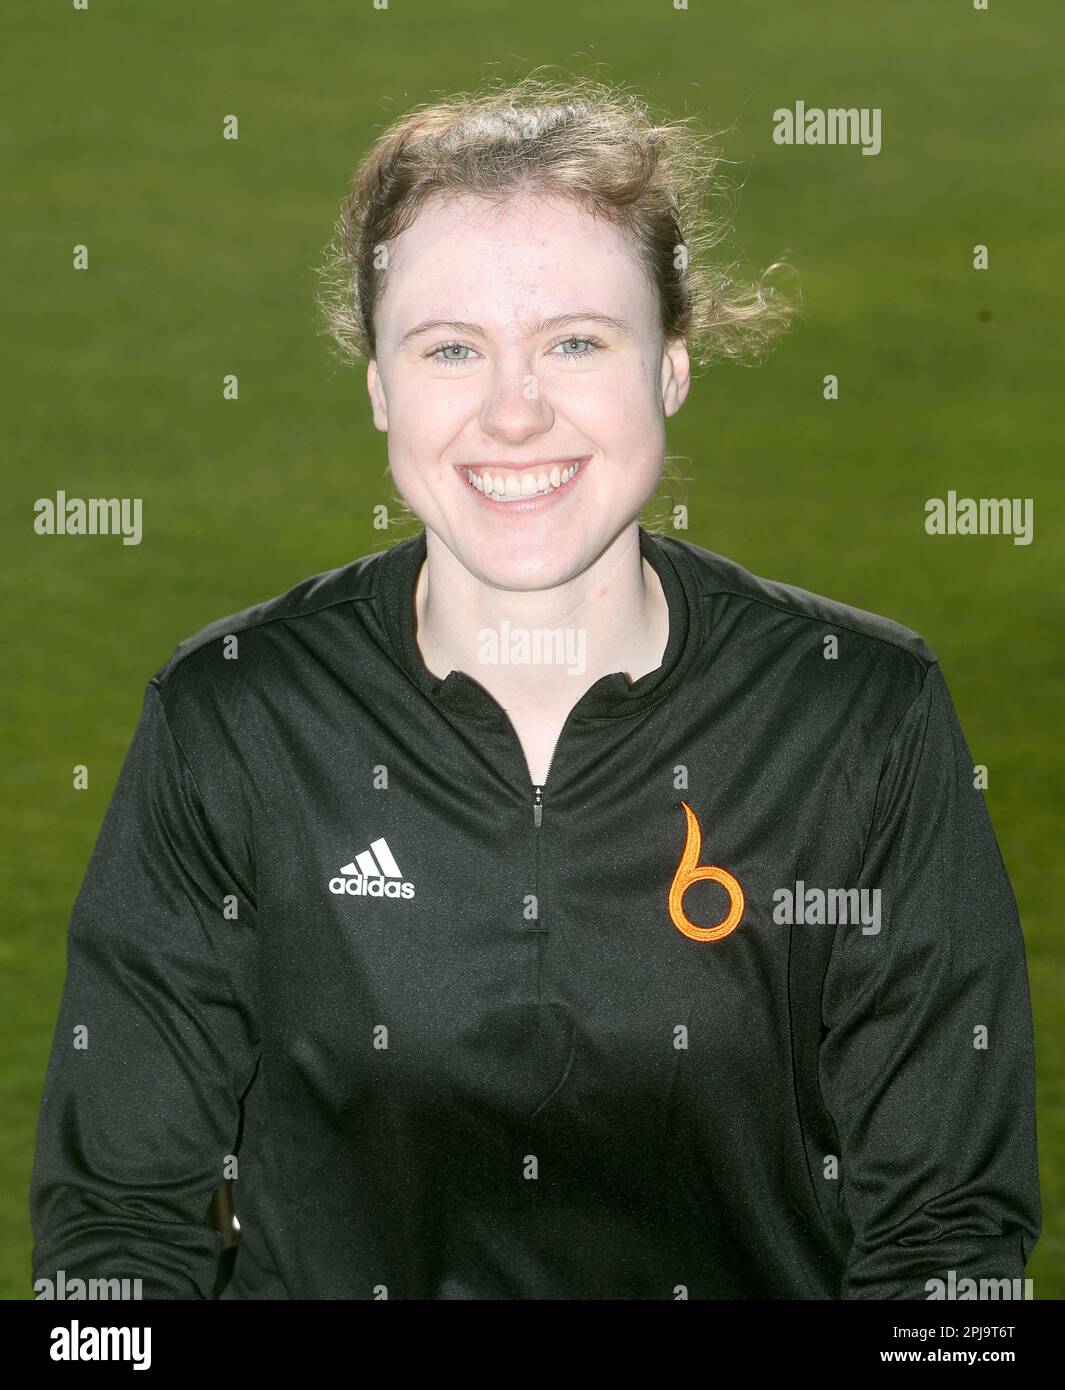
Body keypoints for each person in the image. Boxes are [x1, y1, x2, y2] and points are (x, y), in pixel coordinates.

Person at [29, 75, 1040, 1301]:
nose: (515, 413)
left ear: (671, 366)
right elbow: (114, 1240)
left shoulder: (859, 715)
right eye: (451, 348)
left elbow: (950, 1242)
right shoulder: (233, 719)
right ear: (379, 388)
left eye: (574, 341)